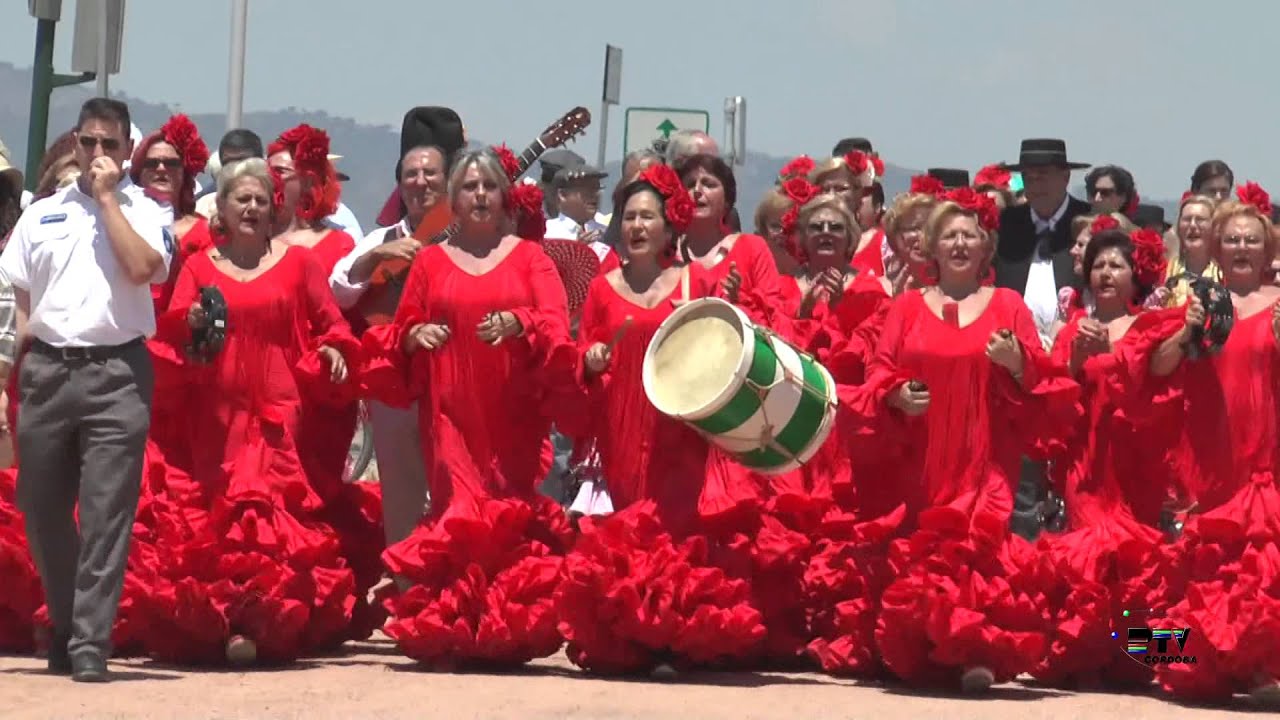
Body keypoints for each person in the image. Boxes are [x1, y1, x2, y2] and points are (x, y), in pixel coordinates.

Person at [857, 189, 1077, 692]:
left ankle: (974, 649)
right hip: (922, 455)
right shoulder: (907, 307)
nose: (959, 243)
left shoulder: (1007, 305)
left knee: (978, 545)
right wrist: (896, 394)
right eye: (949, 235)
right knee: (923, 547)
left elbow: (1041, 379)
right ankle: (929, 650)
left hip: (984, 454)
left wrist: (1016, 362)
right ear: (933, 248)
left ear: (985, 247)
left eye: (969, 236)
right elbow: (879, 370)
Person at [367, 149, 577, 668]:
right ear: (453, 201)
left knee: (505, 511)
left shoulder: (530, 258)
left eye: (488, 186)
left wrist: (520, 322)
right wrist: (417, 334)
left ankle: (502, 626)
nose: (480, 195)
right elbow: (401, 330)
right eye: (469, 187)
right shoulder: (430, 261)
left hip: (511, 415)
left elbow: (556, 323)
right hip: (449, 412)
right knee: (459, 511)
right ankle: (459, 625)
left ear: (504, 196)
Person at [0, 97, 173, 682]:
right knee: (40, 508)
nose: (97, 152)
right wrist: (8, 379)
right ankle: (69, 620)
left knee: (105, 511)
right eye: (89, 141)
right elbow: (21, 303)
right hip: (47, 372)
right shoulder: (41, 214)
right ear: (75, 142)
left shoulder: (147, 210)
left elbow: (143, 268)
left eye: (110, 144)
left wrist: (106, 200)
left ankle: (90, 642)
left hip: (117, 373)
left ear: (127, 151)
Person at [993, 138, 1092, 541]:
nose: (1036, 183)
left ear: (1065, 177)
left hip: (1075, 362)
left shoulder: (1089, 223)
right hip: (1016, 365)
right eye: (1029, 176)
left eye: (1044, 175)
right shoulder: (1005, 225)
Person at [543, 164, 609, 259]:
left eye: (597, 189)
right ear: (563, 195)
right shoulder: (548, 233)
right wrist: (576, 250)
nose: (594, 194)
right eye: (587, 189)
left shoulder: (606, 234)